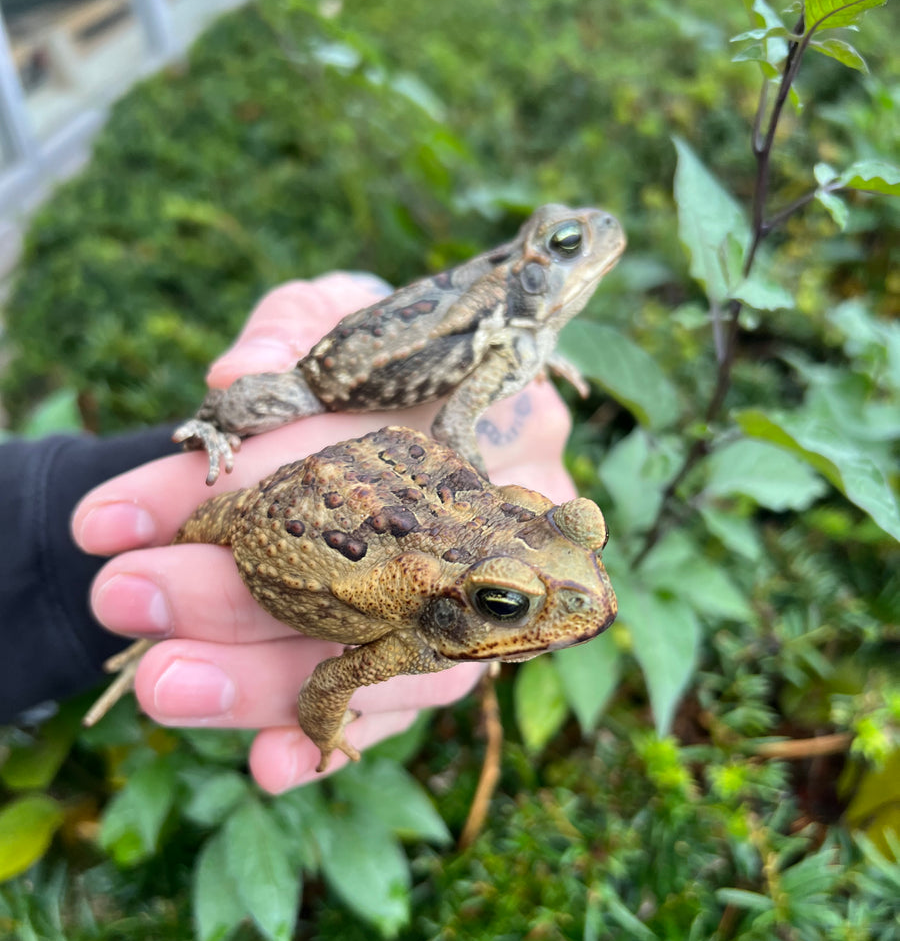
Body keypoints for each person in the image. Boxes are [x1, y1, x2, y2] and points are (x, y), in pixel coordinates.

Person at [11, 273, 575, 793]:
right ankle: (141, 639)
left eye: (578, 529)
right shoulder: (410, 641)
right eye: (503, 603)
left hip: (374, 491)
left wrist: (414, 347)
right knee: (179, 561)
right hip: (265, 518)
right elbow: (326, 686)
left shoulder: (459, 579)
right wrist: (325, 733)